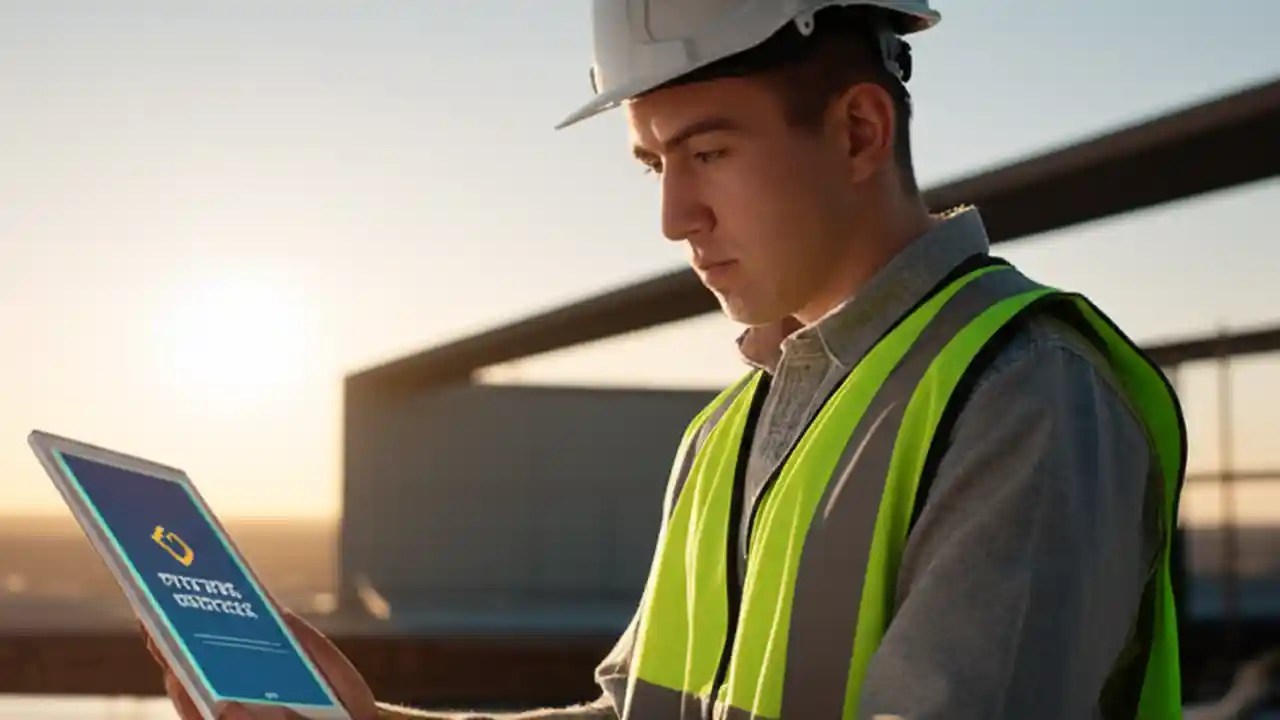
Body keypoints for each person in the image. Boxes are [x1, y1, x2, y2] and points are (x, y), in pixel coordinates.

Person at [144, 1, 1188, 718]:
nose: (672, 216)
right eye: (652, 162)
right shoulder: (729, 431)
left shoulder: (1021, 393)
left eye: (706, 152)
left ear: (859, 132)